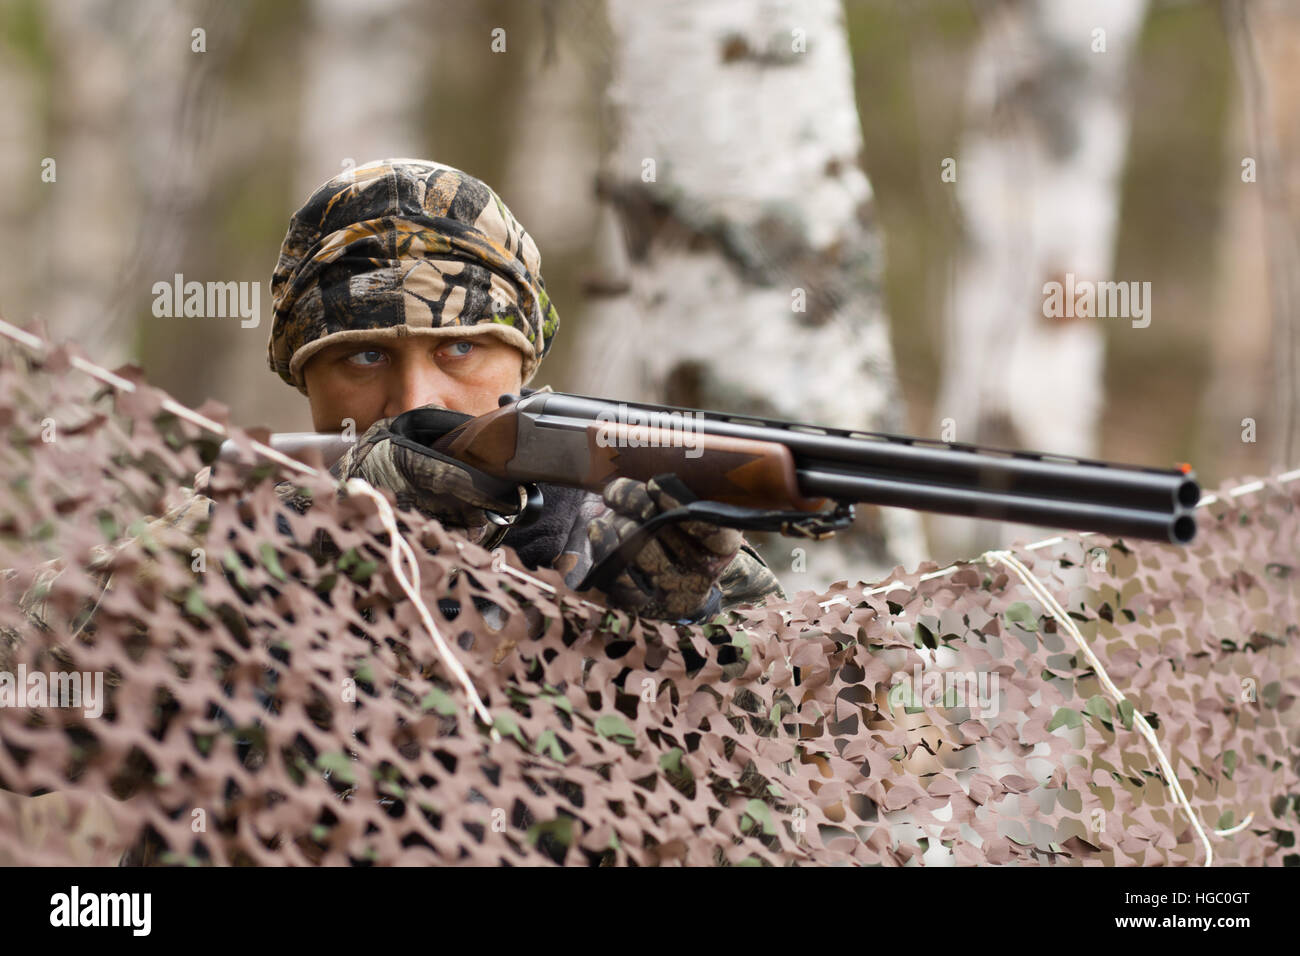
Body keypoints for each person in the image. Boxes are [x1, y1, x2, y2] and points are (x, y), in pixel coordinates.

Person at [267, 157, 785, 622]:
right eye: (365, 356)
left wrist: (680, 624)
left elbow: (792, 708)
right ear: (304, 374)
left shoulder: (639, 536)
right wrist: (317, 531)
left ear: (523, 362)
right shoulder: (223, 532)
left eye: (461, 350)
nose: (415, 401)